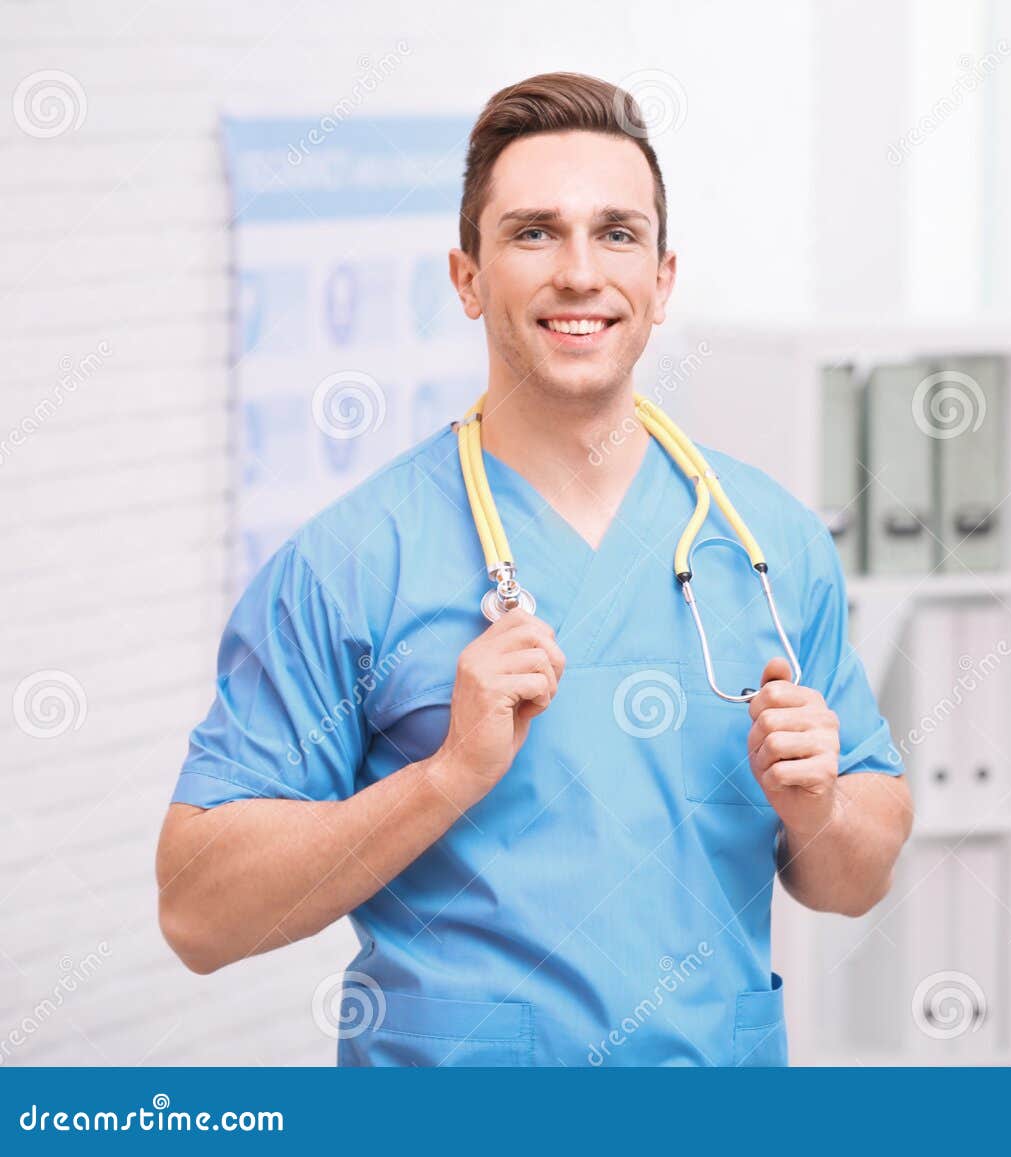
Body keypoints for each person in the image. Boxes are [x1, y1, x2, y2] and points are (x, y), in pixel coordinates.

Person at [155, 72, 912, 1066]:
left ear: (662, 277)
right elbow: (199, 913)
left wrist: (818, 808)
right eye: (532, 233)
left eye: (615, 233)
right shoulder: (351, 561)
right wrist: (447, 776)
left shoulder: (770, 541)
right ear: (467, 277)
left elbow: (854, 877)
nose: (579, 272)